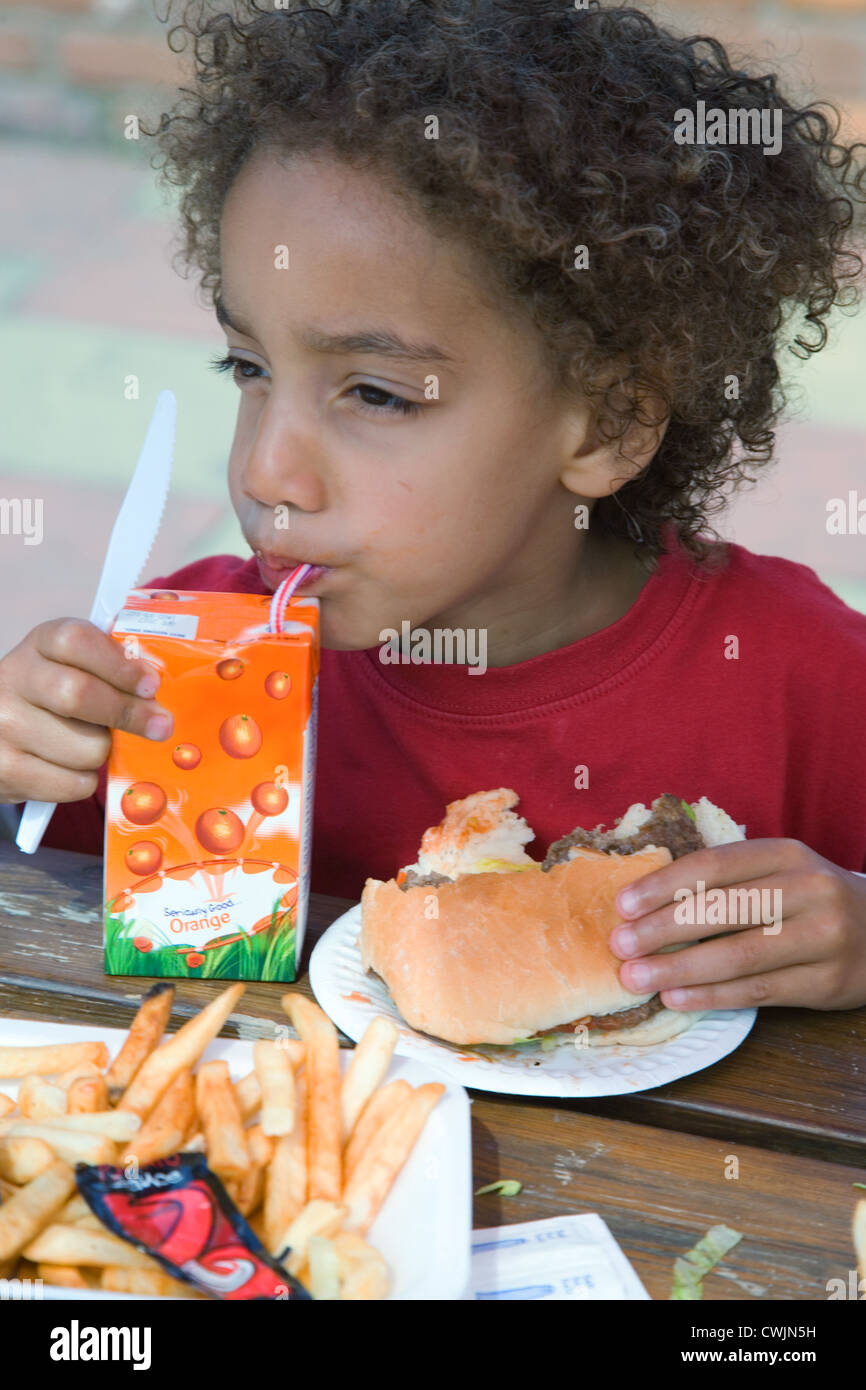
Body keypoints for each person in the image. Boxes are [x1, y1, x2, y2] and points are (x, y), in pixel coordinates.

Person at [2, 0, 866, 1014]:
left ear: (607, 425)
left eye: (374, 392)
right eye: (248, 366)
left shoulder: (797, 676)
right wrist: (22, 761)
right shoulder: (167, 675)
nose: (268, 470)